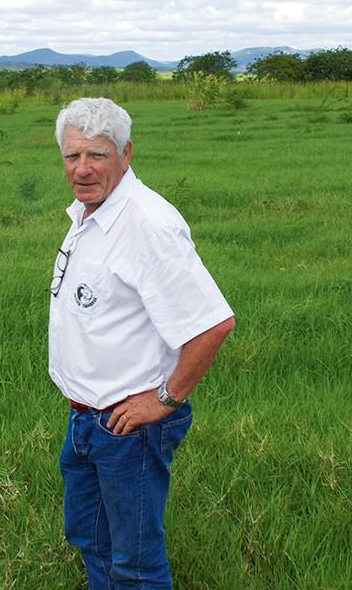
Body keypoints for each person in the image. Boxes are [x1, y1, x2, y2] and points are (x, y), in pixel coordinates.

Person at [49, 97, 235, 589]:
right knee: (90, 537)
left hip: (127, 427)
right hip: (85, 417)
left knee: (134, 560)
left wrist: (164, 400)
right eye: (73, 156)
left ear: (126, 154)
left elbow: (211, 324)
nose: (82, 169)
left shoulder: (147, 225)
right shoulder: (89, 212)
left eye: (97, 155)